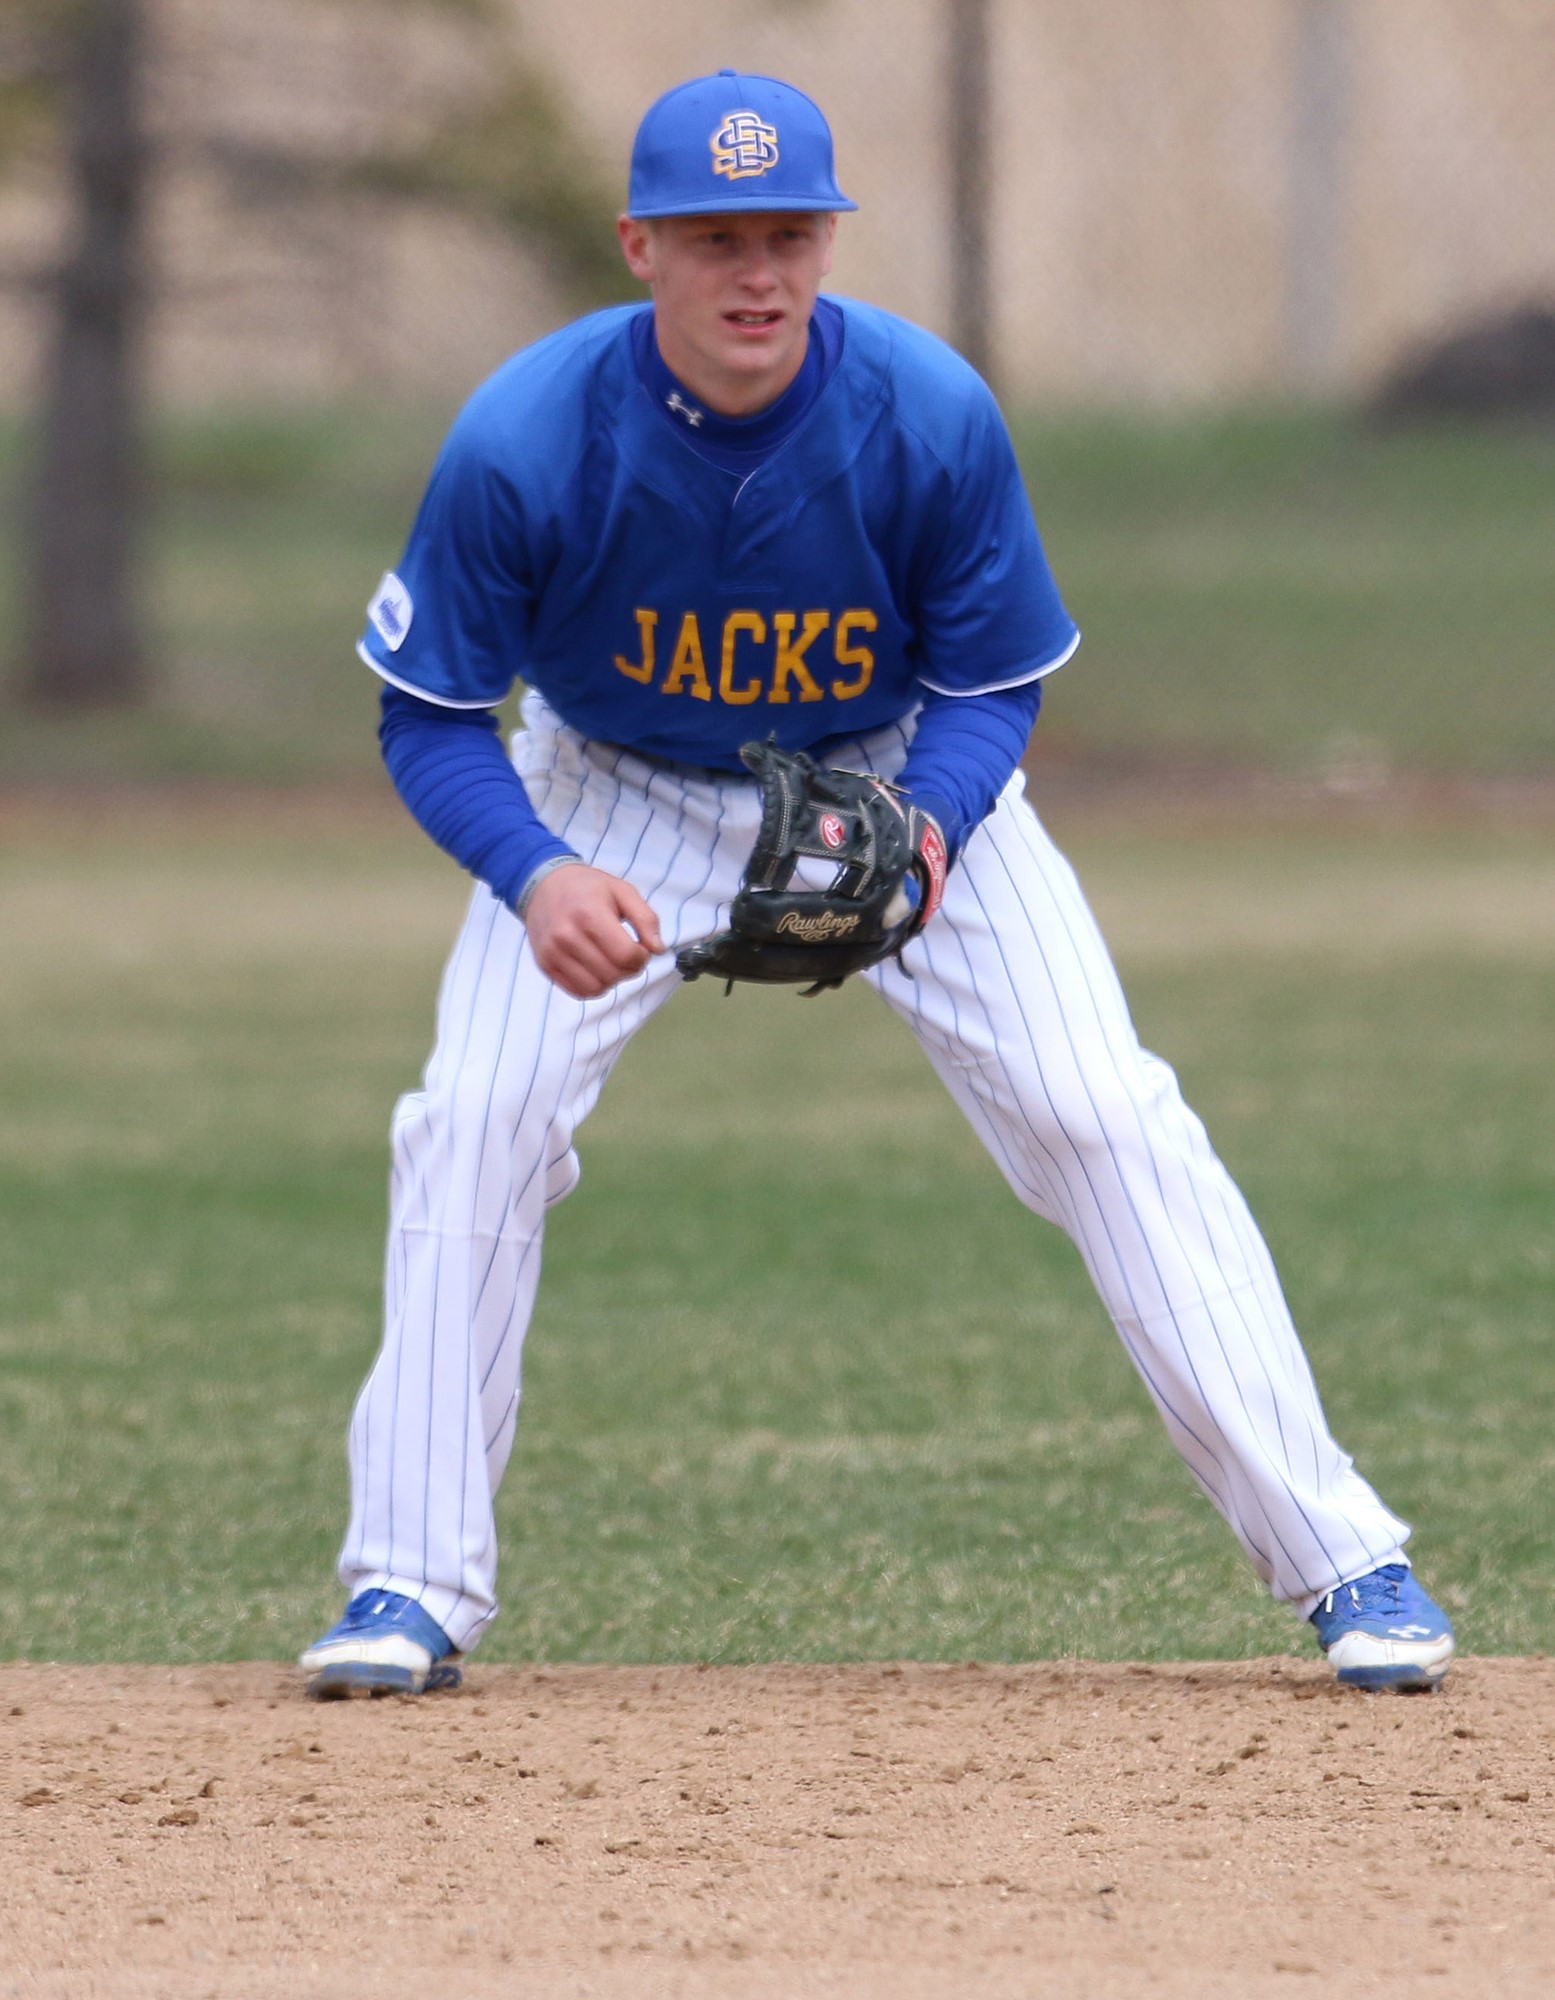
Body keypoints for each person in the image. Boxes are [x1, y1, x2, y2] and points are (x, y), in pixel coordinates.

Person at [300, 70, 1453, 1699]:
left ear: (830, 240)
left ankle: (1349, 1558)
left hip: (888, 771)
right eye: (716, 238)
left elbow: (991, 683)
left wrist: (925, 831)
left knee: (1102, 1112)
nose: (756, 272)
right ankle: (407, 1584)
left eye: (788, 234)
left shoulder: (924, 412)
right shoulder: (529, 436)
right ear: (642, 245)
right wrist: (535, 870)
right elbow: (428, 718)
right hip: (608, 783)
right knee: (473, 1115)